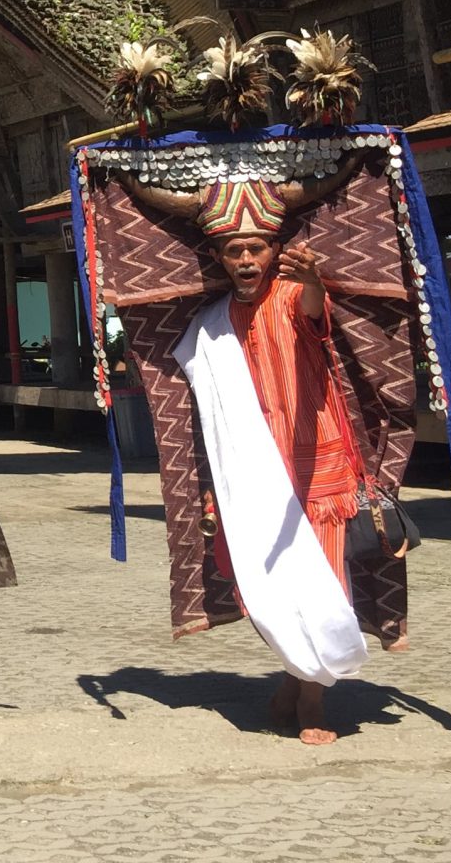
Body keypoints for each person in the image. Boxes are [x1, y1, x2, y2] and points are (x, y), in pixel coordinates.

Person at [117, 169, 372, 746]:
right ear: (220, 257)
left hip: (315, 473)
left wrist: (312, 280)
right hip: (250, 481)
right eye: (235, 251)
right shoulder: (210, 324)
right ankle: (293, 679)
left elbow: (314, 310)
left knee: (323, 584)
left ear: (275, 249)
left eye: (257, 248)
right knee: (265, 587)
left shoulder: (290, 298)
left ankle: (310, 699)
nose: (248, 260)